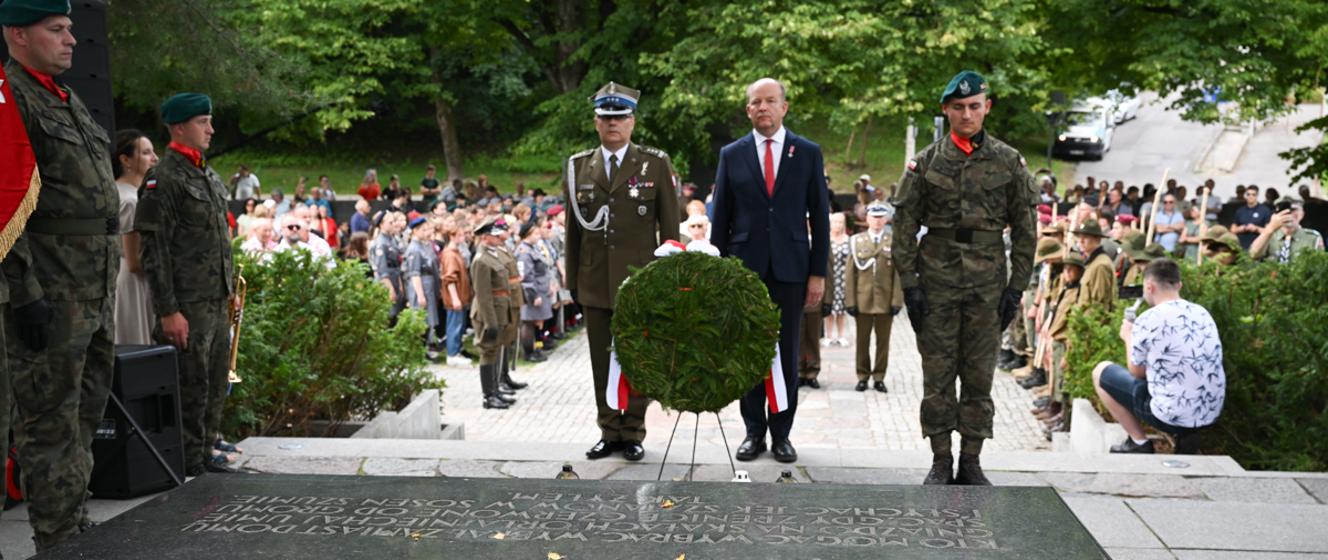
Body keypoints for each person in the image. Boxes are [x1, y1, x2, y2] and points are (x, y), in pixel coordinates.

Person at [1, 2, 123, 549]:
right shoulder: (12, 100)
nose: (71, 38)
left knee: (83, 416)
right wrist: (24, 294)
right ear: (17, 35)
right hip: (50, 290)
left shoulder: (65, 98)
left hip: (91, 290)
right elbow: (7, 207)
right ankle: (55, 538)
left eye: (71, 27)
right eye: (56, 29)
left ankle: (72, 525)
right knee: (49, 423)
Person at [892, 70, 1036, 486]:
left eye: (975, 106)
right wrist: (910, 284)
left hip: (988, 283)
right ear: (946, 110)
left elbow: (1027, 231)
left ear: (986, 107)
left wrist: (1016, 287)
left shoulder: (1008, 162)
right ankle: (940, 459)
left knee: (979, 374)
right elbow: (903, 227)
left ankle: (971, 459)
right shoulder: (926, 163)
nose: (967, 114)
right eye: (959, 107)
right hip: (937, 280)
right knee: (937, 373)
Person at [711, 77, 830, 465]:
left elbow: (820, 217)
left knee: (787, 349)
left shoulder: (807, 153)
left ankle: (782, 433)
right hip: (744, 270)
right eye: (755, 102)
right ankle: (752, 432)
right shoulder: (732, 154)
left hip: (791, 269)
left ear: (784, 107)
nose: (763, 108)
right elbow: (722, 218)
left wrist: (818, 273)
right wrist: (719, 273)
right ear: (748, 110)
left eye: (770, 101)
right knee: (747, 350)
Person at [565, 82, 680, 462]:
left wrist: (668, 280)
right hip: (595, 281)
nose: (613, 124)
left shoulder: (655, 164)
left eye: (620, 117)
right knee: (601, 360)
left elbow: (671, 231)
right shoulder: (579, 167)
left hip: (641, 282)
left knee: (637, 358)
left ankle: (632, 431)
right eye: (606, 118)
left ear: (632, 122)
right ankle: (608, 430)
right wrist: (572, 284)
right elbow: (573, 233)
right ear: (596, 123)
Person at [137, 92, 238, 479]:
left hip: (214, 300)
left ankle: (206, 450)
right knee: (189, 383)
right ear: (179, 127)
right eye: (202, 122)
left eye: (210, 121)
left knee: (214, 380)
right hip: (186, 304)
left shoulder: (206, 174)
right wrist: (168, 310)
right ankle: (187, 460)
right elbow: (154, 250)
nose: (211, 129)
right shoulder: (164, 178)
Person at [1094, 258, 1224, 454]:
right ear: (1179, 285)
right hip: (1210, 412)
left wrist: (1128, 336)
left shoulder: (1149, 318)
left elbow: (1136, 371)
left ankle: (1139, 443)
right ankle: (1186, 437)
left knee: (1100, 372)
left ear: (1149, 287)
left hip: (1169, 416)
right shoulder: (1202, 313)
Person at [845, 202, 904, 393]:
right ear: (867, 218)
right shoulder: (857, 241)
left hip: (885, 301)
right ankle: (862, 376)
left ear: (886, 219)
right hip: (863, 300)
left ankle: (879, 376)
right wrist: (850, 301)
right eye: (874, 217)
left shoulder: (893, 240)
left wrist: (896, 300)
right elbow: (850, 275)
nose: (877, 221)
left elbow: (898, 274)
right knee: (862, 341)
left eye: (881, 217)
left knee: (883, 342)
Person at [112, 129, 159, 345]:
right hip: (134, 284)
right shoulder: (130, 200)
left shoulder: (119, 192)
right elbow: (135, 262)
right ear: (126, 160)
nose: (155, 158)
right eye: (146, 153)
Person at [469, 217, 515, 409]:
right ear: (486, 237)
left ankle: (495, 390)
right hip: (489, 312)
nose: (499, 239)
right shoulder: (481, 260)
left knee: (495, 350)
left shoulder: (492, 254)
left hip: (499, 309)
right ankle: (488, 396)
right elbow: (483, 295)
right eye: (495, 236)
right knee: (488, 351)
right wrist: (490, 322)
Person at [403, 217, 442, 361]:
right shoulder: (414, 248)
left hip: (430, 285)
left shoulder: (425, 245)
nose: (428, 232)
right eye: (423, 230)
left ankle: (425, 348)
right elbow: (415, 273)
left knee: (429, 319)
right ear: (415, 231)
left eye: (428, 229)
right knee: (420, 319)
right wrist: (420, 295)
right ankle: (417, 351)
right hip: (421, 287)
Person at [516, 219, 554, 362]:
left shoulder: (533, 248)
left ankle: (535, 348)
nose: (539, 236)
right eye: (536, 233)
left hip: (540, 289)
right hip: (531, 293)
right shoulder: (524, 252)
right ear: (527, 234)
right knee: (528, 322)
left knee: (535, 322)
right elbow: (526, 276)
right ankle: (528, 352)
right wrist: (533, 295)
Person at [1249, 199, 1324, 263]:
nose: (1289, 213)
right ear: (1276, 213)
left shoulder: (1312, 237)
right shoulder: (1269, 235)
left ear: (1302, 214)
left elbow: (1320, 267)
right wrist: (1270, 228)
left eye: (1294, 209)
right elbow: (1253, 255)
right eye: (1284, 210)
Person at [440, 223, 473, 366]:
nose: (463, 237)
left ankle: (457, 350)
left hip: (461, 295)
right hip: (456, 297)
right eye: (459, 235)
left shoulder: (455, 252)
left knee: (459, 324)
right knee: (454, 325)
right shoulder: (450, 255)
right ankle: (452, 353)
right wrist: (454, 298)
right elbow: (449, 279)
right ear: (451, 236)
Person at [370, 212, 406, 324]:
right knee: (388, 316)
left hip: (394, 277)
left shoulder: (391, 239)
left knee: (396, 315)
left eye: (394, 221)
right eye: (390, 222)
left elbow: (396, 264)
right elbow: (382, 270)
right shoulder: (380, 243)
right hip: (386, 282)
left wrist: (399, 284)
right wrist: (390, 289)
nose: (394, 224)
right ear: (381, 224)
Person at [823, 212, 851, 347]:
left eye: (840, 222)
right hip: (829, 279)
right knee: (828, 308)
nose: (838, 225)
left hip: (843, 279)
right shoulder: (826, 239)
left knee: (841, 310)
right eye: (835, 222)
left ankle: (841, 335)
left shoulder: (849, 240)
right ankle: (829, 335)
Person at [1074, 222, 1117, 309]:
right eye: (1079, 237)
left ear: (1097, 239)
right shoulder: (1093, 262)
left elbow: (1099, 305)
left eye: (1085, 237)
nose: (1081, 241)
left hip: (1090, 321)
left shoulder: (1100, 265)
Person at [1232, 186, 1272, 251]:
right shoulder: (1240, 211)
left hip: (1258, 246)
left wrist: (1256, 228)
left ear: (1257, 196)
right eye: (1248, 194)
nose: (1250, 196)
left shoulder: (1264, 210)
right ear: (1245, 195)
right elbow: (1232, 229)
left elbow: (1269, 231)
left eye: (1253, 194)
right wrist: (1241, 228)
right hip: (1241, 246)